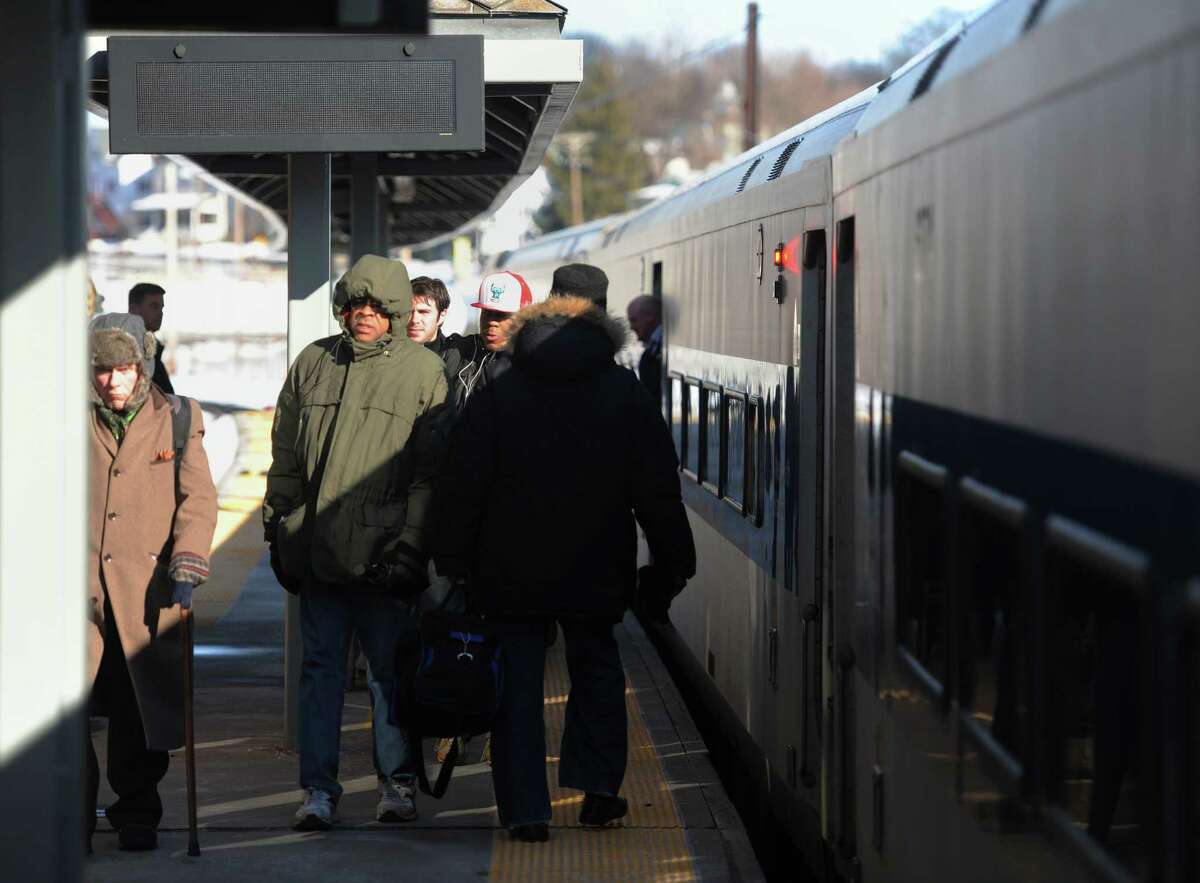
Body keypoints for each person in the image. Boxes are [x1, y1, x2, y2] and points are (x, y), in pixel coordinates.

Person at [434, 294, 696, 843]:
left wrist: (453, 559)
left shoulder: (499, 390)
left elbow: (463, 482)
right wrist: (673, 564)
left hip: (509, 567)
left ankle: (527, 810)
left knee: (519, 688)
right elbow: (657, 487)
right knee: (598, 673)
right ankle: (598, 792)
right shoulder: (623, 390)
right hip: (597, 563)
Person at [264, 255, 449, 831]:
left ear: (394, 311)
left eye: (376, 306)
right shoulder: (313, 362)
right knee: (319, 672)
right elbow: (285, 453)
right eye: (354, 304)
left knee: (387, 674)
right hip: (317, 554)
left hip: (384, 559)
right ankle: (318, 790)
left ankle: (395, 785)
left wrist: (410, 547)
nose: (363, 314)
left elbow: (428, 473)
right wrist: (281, 523)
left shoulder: (423, 371)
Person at [86, 313, 217, 853]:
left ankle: (136, 812)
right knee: (64, 717)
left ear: (142, 366)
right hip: (79, 597)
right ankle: (67, 814)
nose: (112, 381)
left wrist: (188, 559)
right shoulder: (60, 419)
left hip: (147, 596)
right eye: (101, 371)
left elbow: (199, 498)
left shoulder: (179, 418)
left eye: (122, 369)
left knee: (139, 713)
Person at [439, 271, 532, 412]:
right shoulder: (457, 350)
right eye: (487, 313)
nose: (492, 322)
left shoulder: (530, 365)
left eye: (502, 315)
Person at [127, 282, 173, 394]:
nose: (160, 313)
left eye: (161, 308)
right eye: (154, 306)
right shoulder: (127, 350)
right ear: (133, 309)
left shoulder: (151, 349)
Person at [626, 295, 663, 405]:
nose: (631, 327)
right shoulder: (654, 350)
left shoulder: (654, 353)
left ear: (650, 317)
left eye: (633, 320)